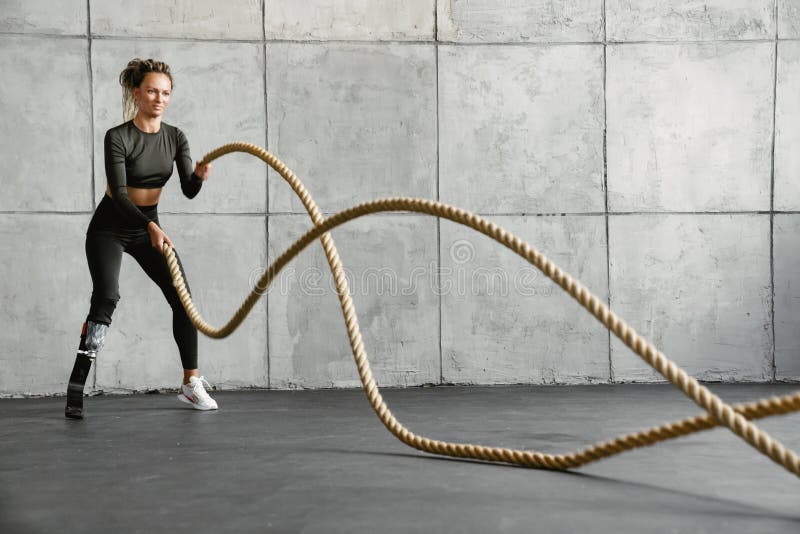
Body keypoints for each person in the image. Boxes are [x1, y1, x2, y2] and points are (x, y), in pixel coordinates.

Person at [65, 58, 218, 418]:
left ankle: (190, 384)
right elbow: (119, 195)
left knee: (183, 298)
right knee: (106, 297)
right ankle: (76, 385)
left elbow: (188, 190)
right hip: (111, 226)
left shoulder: (175, 137)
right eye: (152, 91)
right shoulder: (118, 137)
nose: (159, 98)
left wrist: (197, 176)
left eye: (165, 92)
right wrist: (148, 225)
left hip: (149, 225)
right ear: (137, 93)